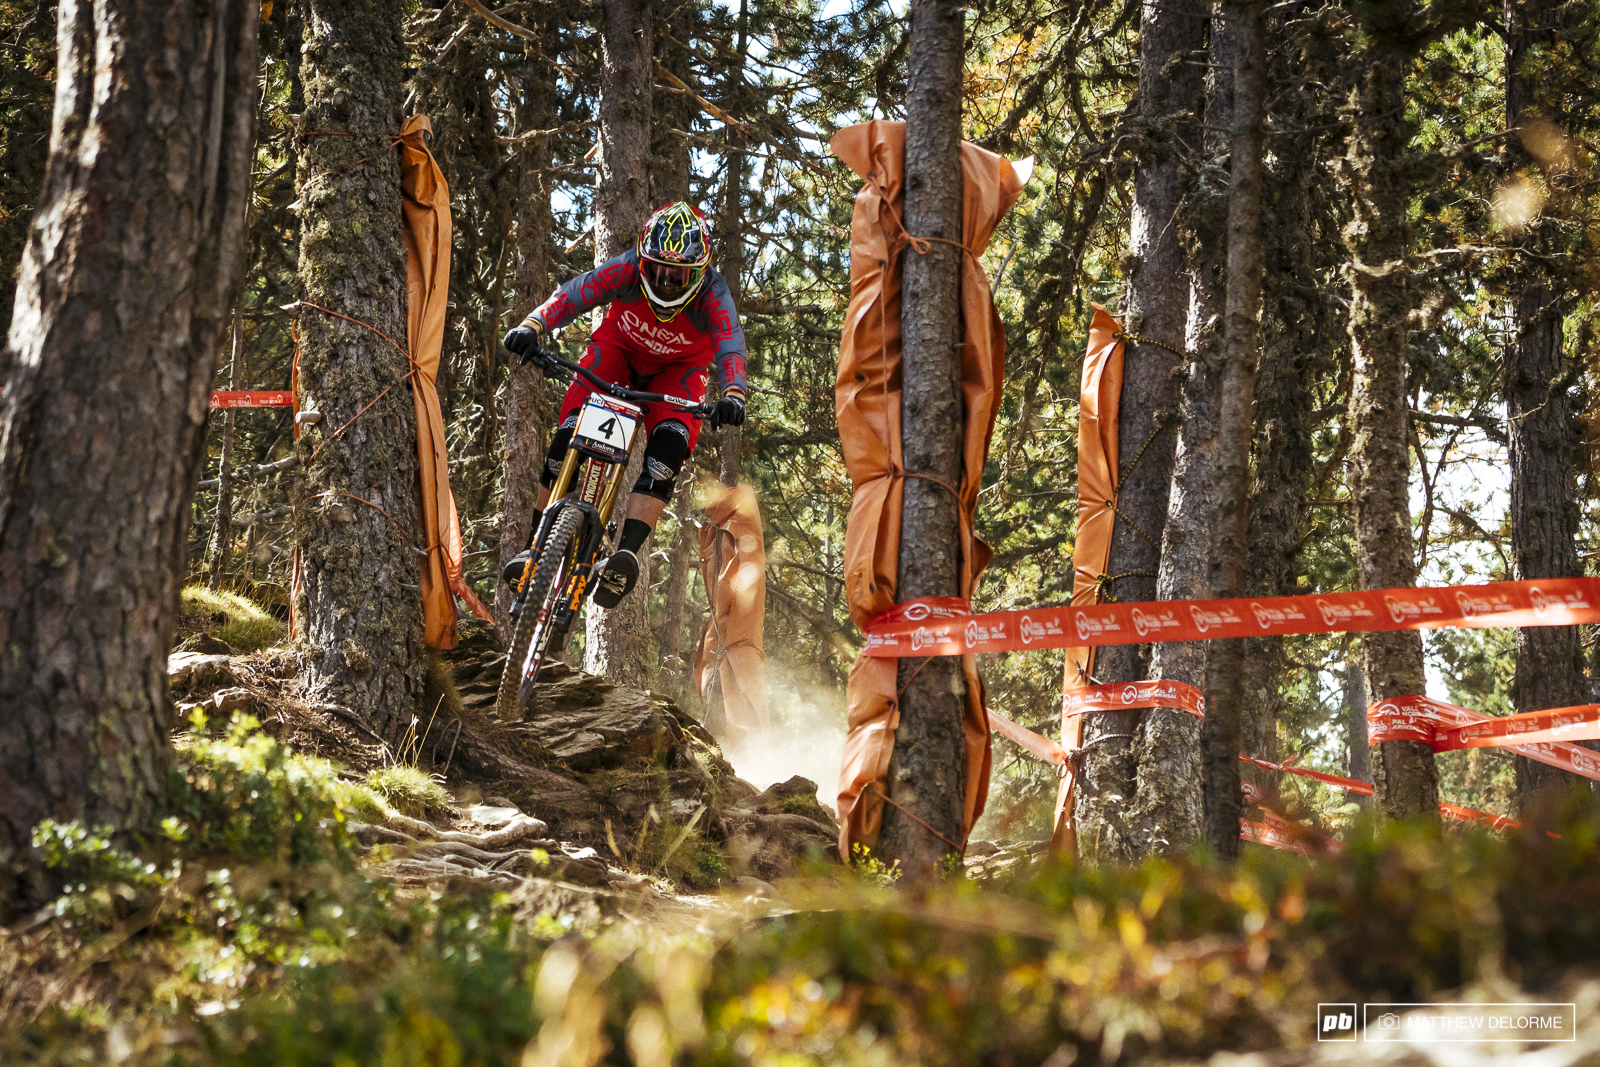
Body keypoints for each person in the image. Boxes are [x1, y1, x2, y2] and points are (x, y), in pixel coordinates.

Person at [501, 201, 748, 608]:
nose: (667, 282)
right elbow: (577, 292)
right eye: (658, 270)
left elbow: (730, 345)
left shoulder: (714, 296)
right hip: (617, 353)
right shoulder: (627, 268)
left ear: (699, 273)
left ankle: (626, 554)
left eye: (679, 275)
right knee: (567, 437)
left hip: (679, 372)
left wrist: (734, 394)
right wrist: (533, 324)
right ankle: (533, 549)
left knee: (667, 452)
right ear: (643, 261)